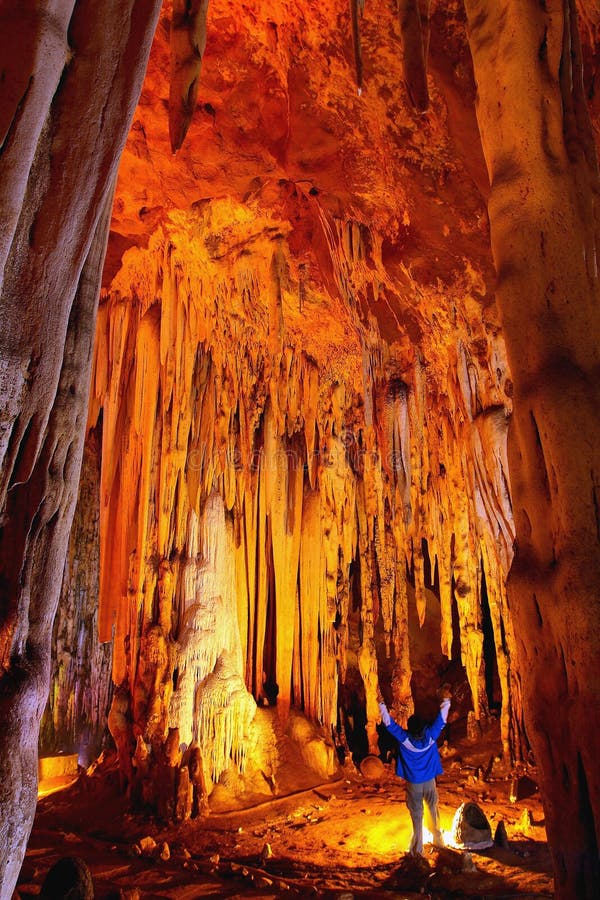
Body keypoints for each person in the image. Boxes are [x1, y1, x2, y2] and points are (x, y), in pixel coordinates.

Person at [378, 688, 451, 856]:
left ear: (409, 728)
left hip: (414, 783)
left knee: (417, 814)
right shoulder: (430, 736)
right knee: (433, 809)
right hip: (429, 781)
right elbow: (441, 720)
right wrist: (446, 701)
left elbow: (389, 724)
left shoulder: (405, 739)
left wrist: (381, 705)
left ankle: (417, 849)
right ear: (423, 726)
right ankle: (438, 841)